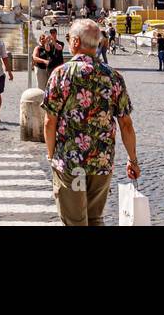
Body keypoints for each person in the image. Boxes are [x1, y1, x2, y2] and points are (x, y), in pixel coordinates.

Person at [43, 19, 138, 226]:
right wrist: (132, 159)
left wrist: (51, 155)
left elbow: (50, 122)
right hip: (101, 162)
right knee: (95, 219)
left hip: (69, 161)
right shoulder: (114, 77)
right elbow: (126, 124)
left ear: (75, 42)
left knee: (75, 221)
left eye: (69, 38)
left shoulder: (60, 74)